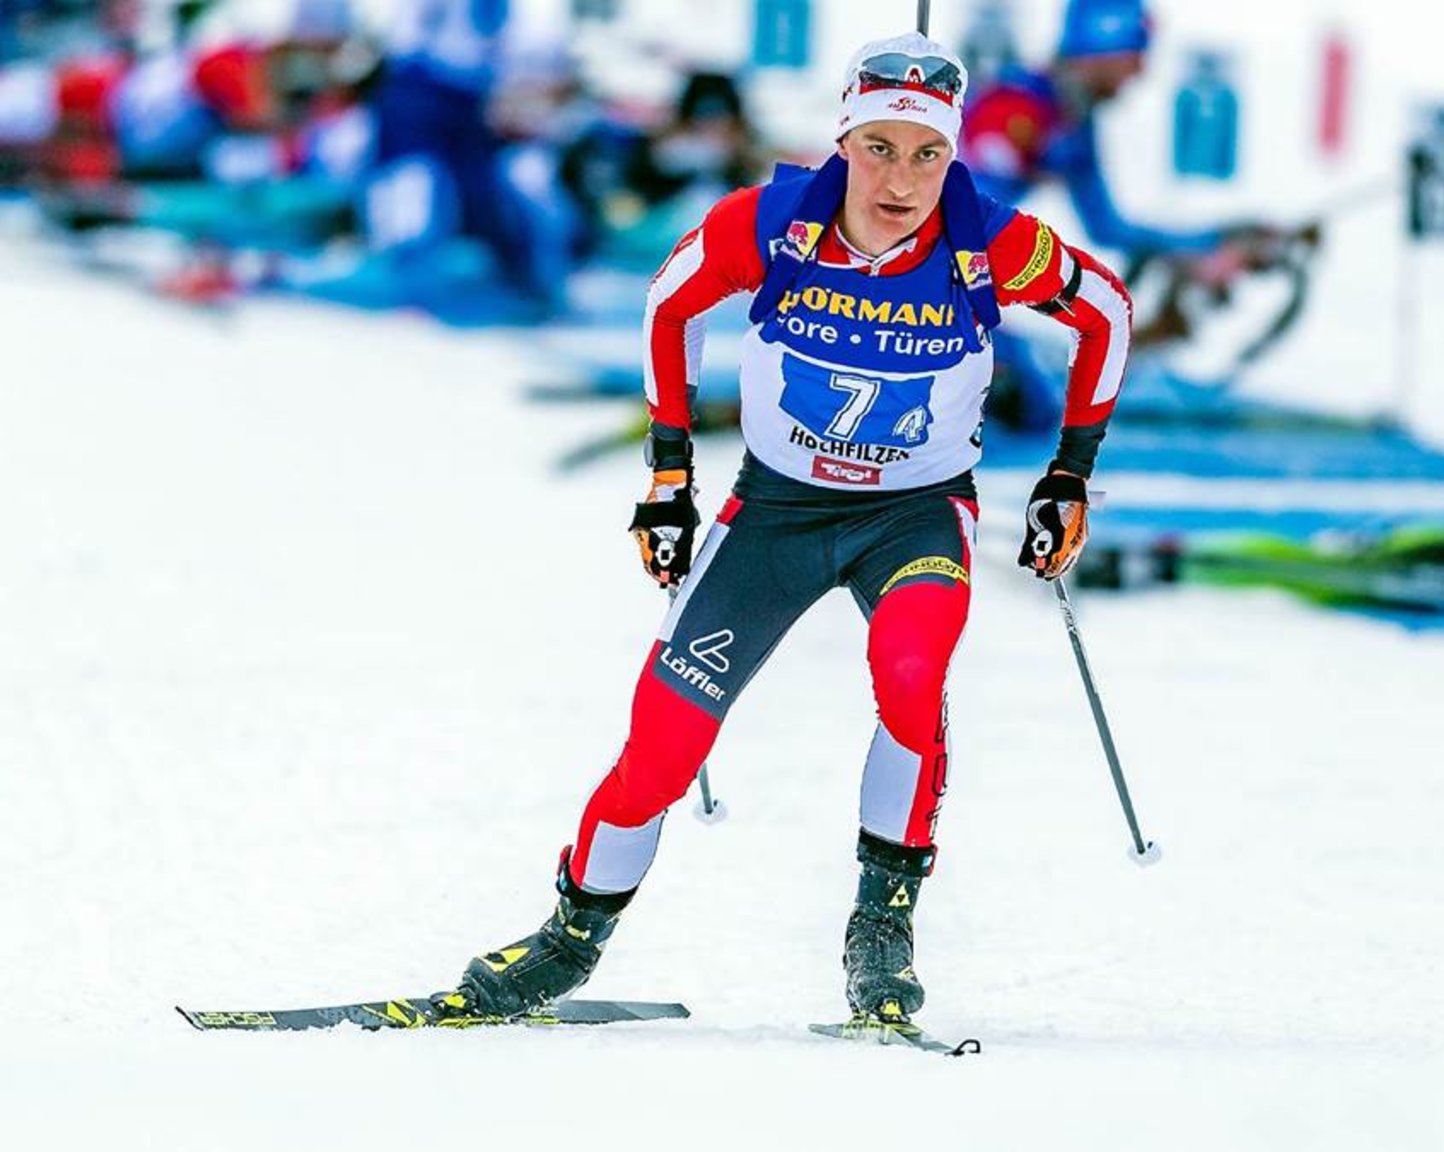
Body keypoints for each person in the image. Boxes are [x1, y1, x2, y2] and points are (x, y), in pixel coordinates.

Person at [438, 32, 1134, 1029]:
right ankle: (564, 942)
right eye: (880, 148)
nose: (902, 179)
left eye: (928, 154)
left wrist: (1068, 474)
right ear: (841, 140)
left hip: (912, 516)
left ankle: (880, 928)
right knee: (662, 745)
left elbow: (1102, 308)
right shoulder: (766, 223)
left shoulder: (991, 240)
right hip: (774, 510)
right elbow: (669, 305)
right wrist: (668, 471)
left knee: (909, 672)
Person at [960, 0, 1289, 426]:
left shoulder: (1072, 120)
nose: (1140, 74)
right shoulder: (1017, 105)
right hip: (911, 286)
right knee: (1025, 406)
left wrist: (1219, 240)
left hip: (957, 286)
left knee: (1039, 408)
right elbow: (961, 218)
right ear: (1101, 49)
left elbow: (1109, 228)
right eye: (1136, 55)